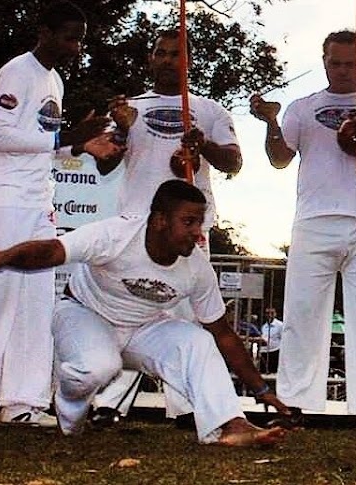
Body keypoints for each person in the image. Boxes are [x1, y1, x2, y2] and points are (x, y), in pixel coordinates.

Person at [0, 180, 287, 446]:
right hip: (85, 313)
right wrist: (4, 256)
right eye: (188, 222)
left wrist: (261, 389)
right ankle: (69, 412)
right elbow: (53, 250)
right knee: (97, 368)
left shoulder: (197, 268)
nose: (197, 232)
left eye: (199, 222)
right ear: (159, 220)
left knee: (198, 342)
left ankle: (230, 425)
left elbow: (223, 334)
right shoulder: (115, 234)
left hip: (145, 327)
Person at [249, 30, 356, 438]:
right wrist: (271, 121)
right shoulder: (303, 107)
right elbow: (278, 159)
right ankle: (294, 404)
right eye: (335, 62)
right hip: (313, 219)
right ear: (324, 61)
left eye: (350, 63)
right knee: (302, 315)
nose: (342, 70)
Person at [0, 1, 118, 428]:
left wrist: (79, 146)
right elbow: (3, 136)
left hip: (36, 200)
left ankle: (22, 401)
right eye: (68, 36)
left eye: (80, 38)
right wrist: (68, 136)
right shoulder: (16, 71)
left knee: (35, 303)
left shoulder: (55, 80)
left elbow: (43, 142)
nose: (74, 46)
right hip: (5, 199)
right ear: (43, 31)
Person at [92, 28, 242, 427]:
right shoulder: (129, 107)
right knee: (124, 312)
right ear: (150, 59)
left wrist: (203, 144)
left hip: (187, 229)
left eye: (176, 54)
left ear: (188, 61)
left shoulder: (210, 110)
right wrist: (121, 129)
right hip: (134, 227)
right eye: (160, 53)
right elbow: (104, 163)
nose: (167, 60)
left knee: (186, 315)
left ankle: (187, 407)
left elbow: (233, 162)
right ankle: (109, 403)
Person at [254, 307, 284, 375]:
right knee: (263, 372)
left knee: (274, 372)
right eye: (267, 313)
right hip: (264, 352)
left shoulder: (280, 325)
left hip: (275, 352)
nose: (269, 315)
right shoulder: (264, 326)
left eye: (272, 313)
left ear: (275, 314)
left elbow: (283, 340)